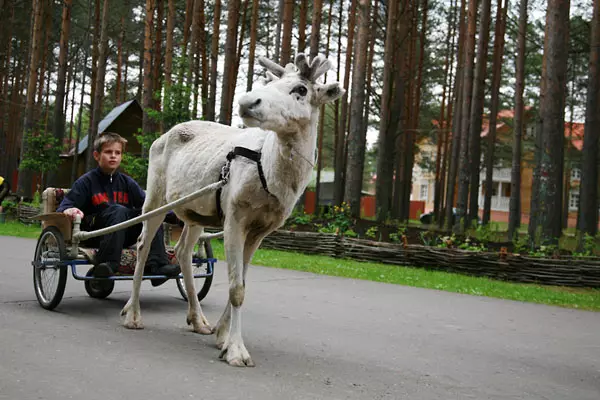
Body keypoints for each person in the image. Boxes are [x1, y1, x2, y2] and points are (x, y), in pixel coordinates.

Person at [57, 132, 180, 286]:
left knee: (150, 214)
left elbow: (148, 205)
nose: (113, 156)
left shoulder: (127, 182)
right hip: (97, 234)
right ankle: (108, 264)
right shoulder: (87, 182)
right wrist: (70, 210)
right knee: (118, 210)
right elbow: (65, 205)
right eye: (108, 152)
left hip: (125, 234)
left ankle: (157, 265)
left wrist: (175, 215)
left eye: (118, 153)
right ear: (96, 155)